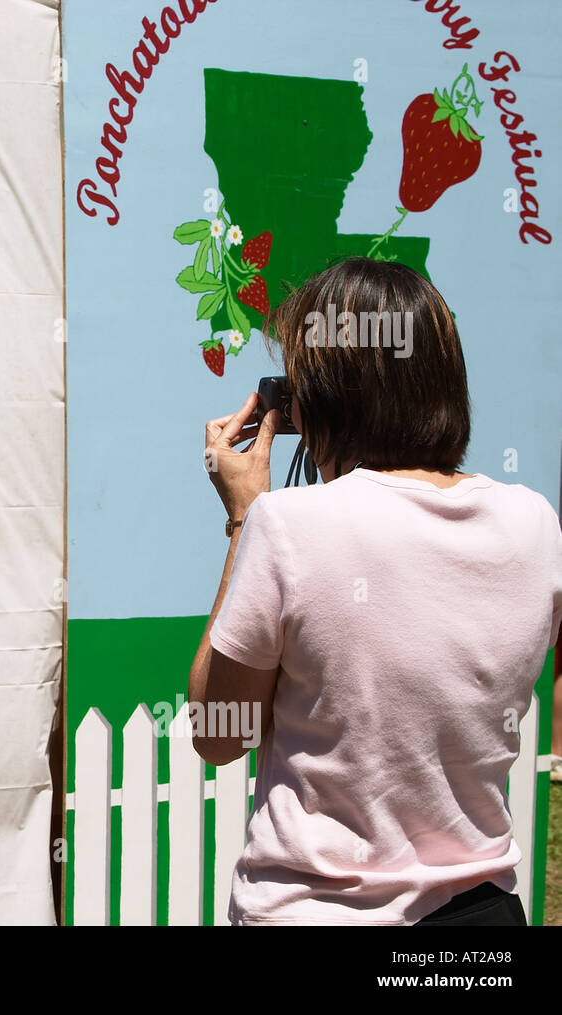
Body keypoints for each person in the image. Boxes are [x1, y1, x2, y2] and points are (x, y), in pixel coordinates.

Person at [189, 257, 562, 925]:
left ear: (329, 396)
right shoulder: (533, 523)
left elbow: (218, 732)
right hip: (480, 916)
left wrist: (244, 516)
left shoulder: (289, 525)